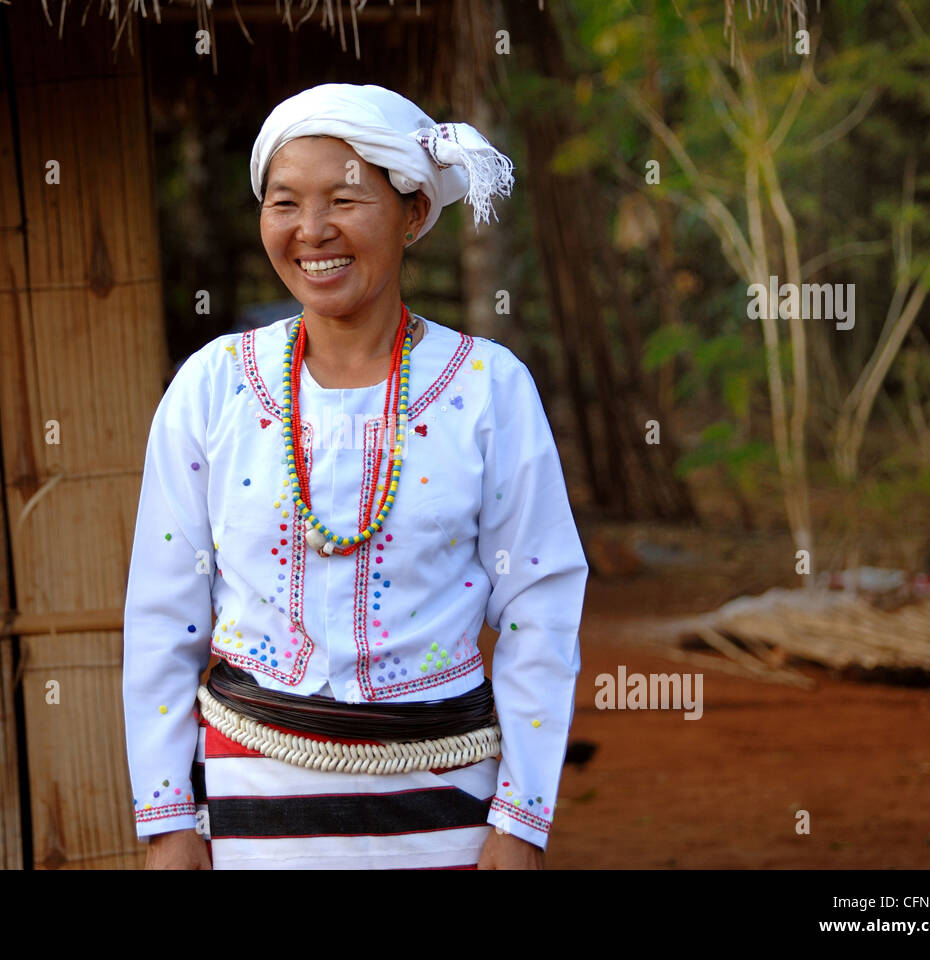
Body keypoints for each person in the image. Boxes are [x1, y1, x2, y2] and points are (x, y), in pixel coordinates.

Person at [123, 83, 589, 870]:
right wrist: (168, 821)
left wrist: (521, 821)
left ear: (412, 213)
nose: (312, 232)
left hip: (450, 808)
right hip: (249, 808)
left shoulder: (489, 388)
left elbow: (539, 609)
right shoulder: (212, 389)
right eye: (284, 203)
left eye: (344, 199)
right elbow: (163, 618)